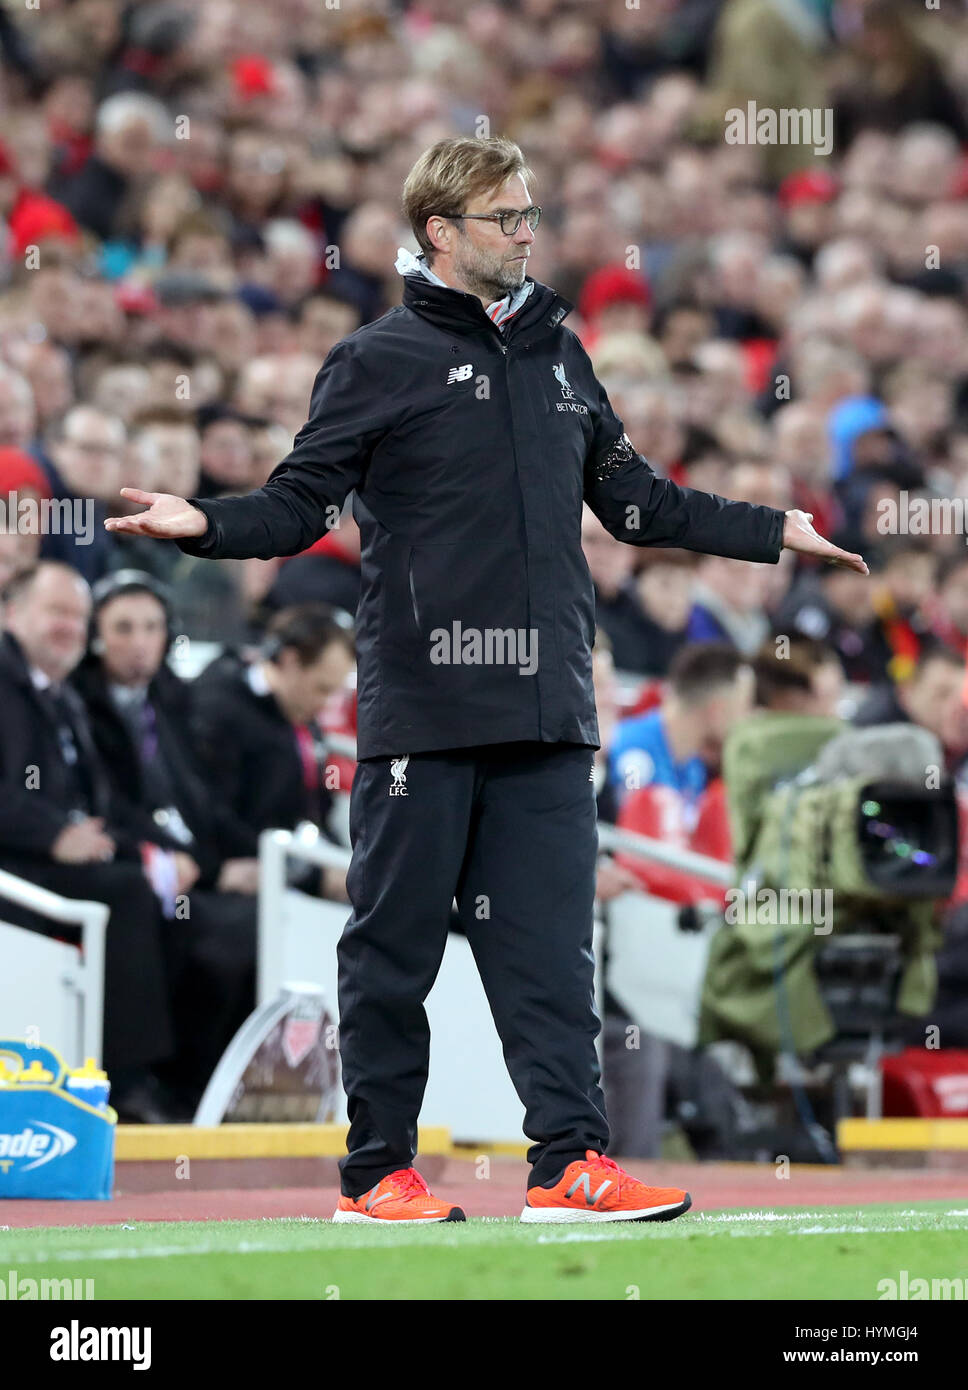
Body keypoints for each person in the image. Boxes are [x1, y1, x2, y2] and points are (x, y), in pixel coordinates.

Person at [105, 135, 867, 1224]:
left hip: (551, 709)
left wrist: (768, 529)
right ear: (440, 233)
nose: (525, 233)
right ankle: (376, 1175)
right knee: (393, 948)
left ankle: (568, 1164)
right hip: (425, 708)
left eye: (528, 215)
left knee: (555, 957)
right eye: (504, 218)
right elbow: (295, 504)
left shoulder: (561, 352)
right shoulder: (373, 359)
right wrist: (203, 522)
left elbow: (635, 502)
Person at [71, 569, 260, 1108]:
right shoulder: (82, 701)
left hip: (188, 863)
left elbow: (204, 805)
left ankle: (218, 1088)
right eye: (123, 627)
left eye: (151, 627)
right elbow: (109, 806)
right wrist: (209, 866)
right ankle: (167, 1086)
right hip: (141, 863)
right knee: (219, 931)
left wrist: (255, 858)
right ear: (97, 635)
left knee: (264, 918)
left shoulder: (171, 700)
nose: (138, 643)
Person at [0, 562, 175, 1120]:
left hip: (57, 861)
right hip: (16, 862)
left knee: (167, 896)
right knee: (125, 894)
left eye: (77, 616)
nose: (70, 627)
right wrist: (52, 834)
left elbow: (101, 807)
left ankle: (162, 1075)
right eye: (55, 612)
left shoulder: (64, 695)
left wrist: (157, 850)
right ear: (11, 613)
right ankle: (124, 1082)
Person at [191, 603, 355, 902]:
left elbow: (316, 811)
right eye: (321, 688)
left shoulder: (299, 713)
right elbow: (215, 819)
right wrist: (314, 874)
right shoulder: (220, 709)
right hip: (248, 879)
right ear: (290, 661)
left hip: (299, 863)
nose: (326, 704)